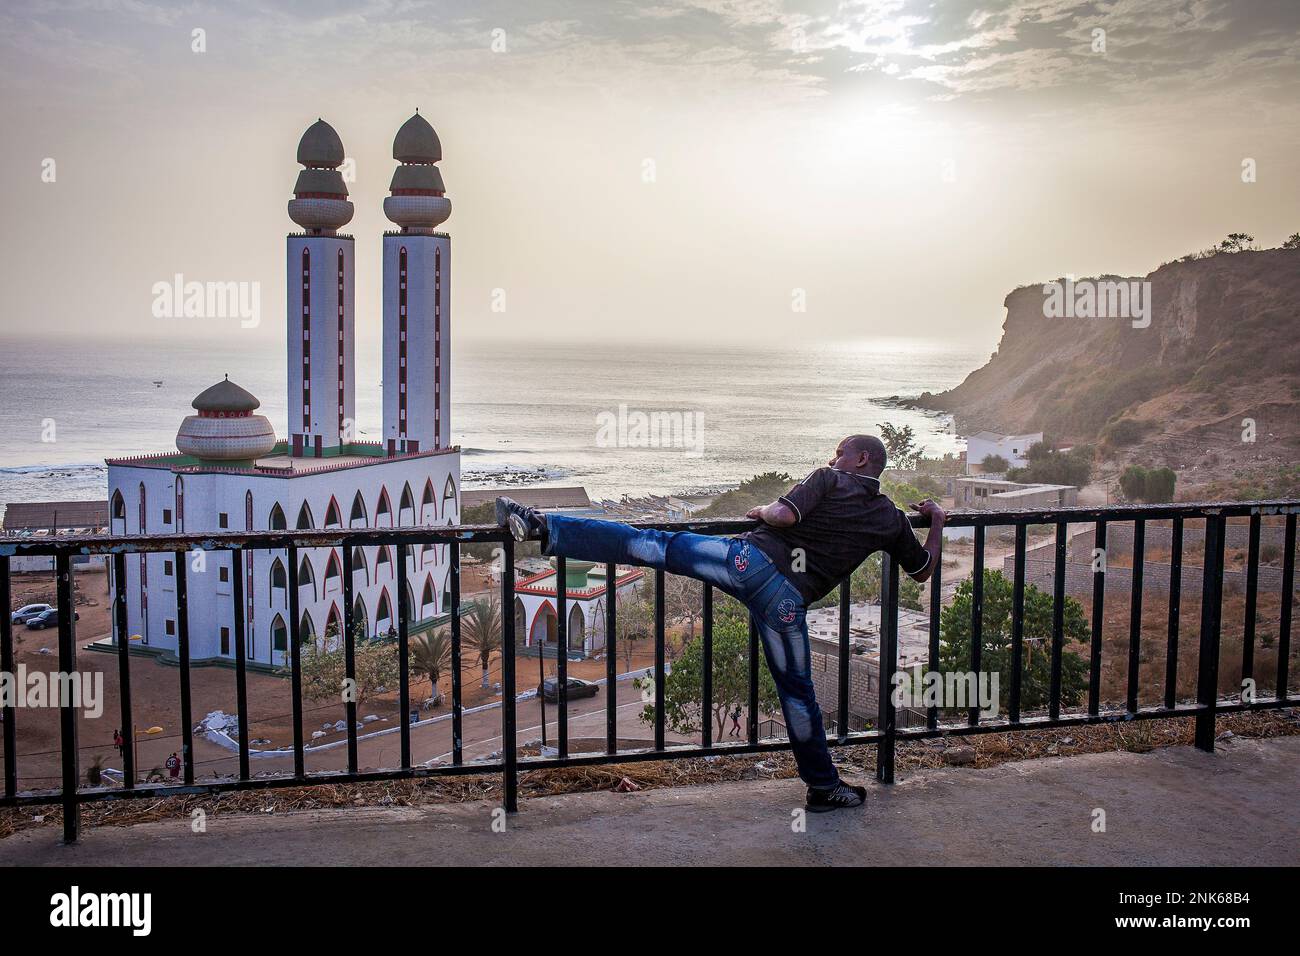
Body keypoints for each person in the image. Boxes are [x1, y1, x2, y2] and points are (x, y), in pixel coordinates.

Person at [497, 433, 945, 813]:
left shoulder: (830, 479)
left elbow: (785, 515)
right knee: (798, 694)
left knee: (651, 543)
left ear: (861, 459)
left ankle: (541, 526)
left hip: (748, 564)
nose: (833, 458)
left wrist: (764, 511)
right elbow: (922, 570)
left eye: (840, 451)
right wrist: (937, 520)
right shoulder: (890, 518)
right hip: (786, 603)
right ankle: (825, 787)